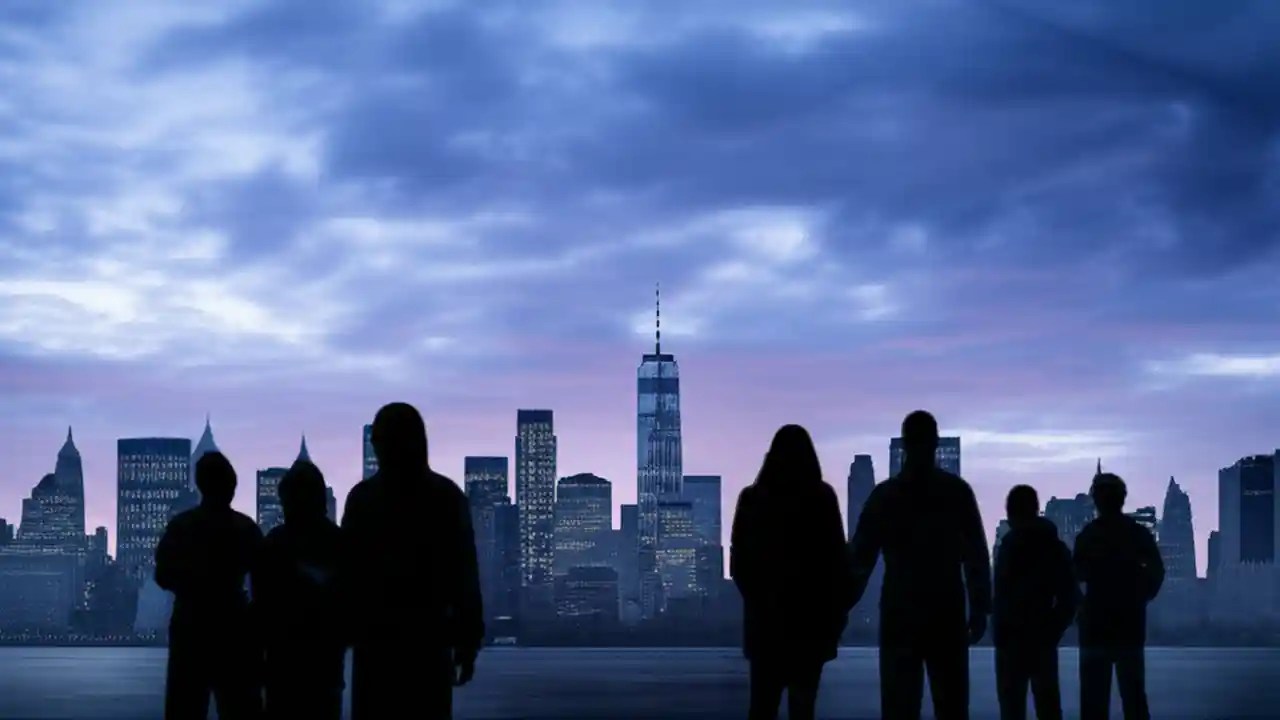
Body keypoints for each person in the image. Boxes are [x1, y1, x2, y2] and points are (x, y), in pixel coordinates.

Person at [341, 402, 484, 720]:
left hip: (376, 641)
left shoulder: (362, 499)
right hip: (428, 638)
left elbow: (347, 574)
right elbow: (465, 574)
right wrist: (468, 641)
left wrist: (343, 631)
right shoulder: (447, 497)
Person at [848, 410, 991, 720]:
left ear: (905, 445)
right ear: (935, 443)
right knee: (952, 706)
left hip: (900, 609)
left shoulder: (885, 496)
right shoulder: (957, 492)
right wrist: (980, 607)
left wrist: (838, 607)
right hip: (946, 608)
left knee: (899, 705)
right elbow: (977, 555)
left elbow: (859, 560)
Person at [730, 425, 853, 720]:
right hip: (810, 625)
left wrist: (760, 602)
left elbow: (739, 564)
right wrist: (834, 616)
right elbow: (837, 562)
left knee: (762, 707)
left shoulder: (752, 499)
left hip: (766, 627)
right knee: (803, 708)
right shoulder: (822, 497)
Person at [155, 451, 264, 720]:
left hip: (190, 626)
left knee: (185, 708)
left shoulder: (181, 527)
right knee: (241, 708)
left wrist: (190, 583)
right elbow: (264, 586)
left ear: (200, 484)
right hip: (235, 627)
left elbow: (163, 576)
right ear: (232, 486)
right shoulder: (246, 528)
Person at [257, 459, 346, 720]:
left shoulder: (274, 543)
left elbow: (262, 604)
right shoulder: (341, 543)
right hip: (326, 661)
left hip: (282, 662)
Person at [1074, 473, 1164, 720]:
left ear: (1095, 500)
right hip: (1129, 623)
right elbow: (1157, 571)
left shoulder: (1088, 535)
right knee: (1134, 697)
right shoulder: (1137, 534)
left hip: (1095, 626)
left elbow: (1073, 577)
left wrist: (1081, 606)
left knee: (1093, 700)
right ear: (1122, 498)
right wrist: (1141, 597)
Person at [992, 485, 1078, 720]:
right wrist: (1054, 628)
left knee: (1011, 708)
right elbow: (1069, 596)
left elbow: (1000, 594)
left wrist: (998, 628)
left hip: (1010, 639)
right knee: (1048, 706)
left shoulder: (1008, 546)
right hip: (1042, 638)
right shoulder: (1054, 546)